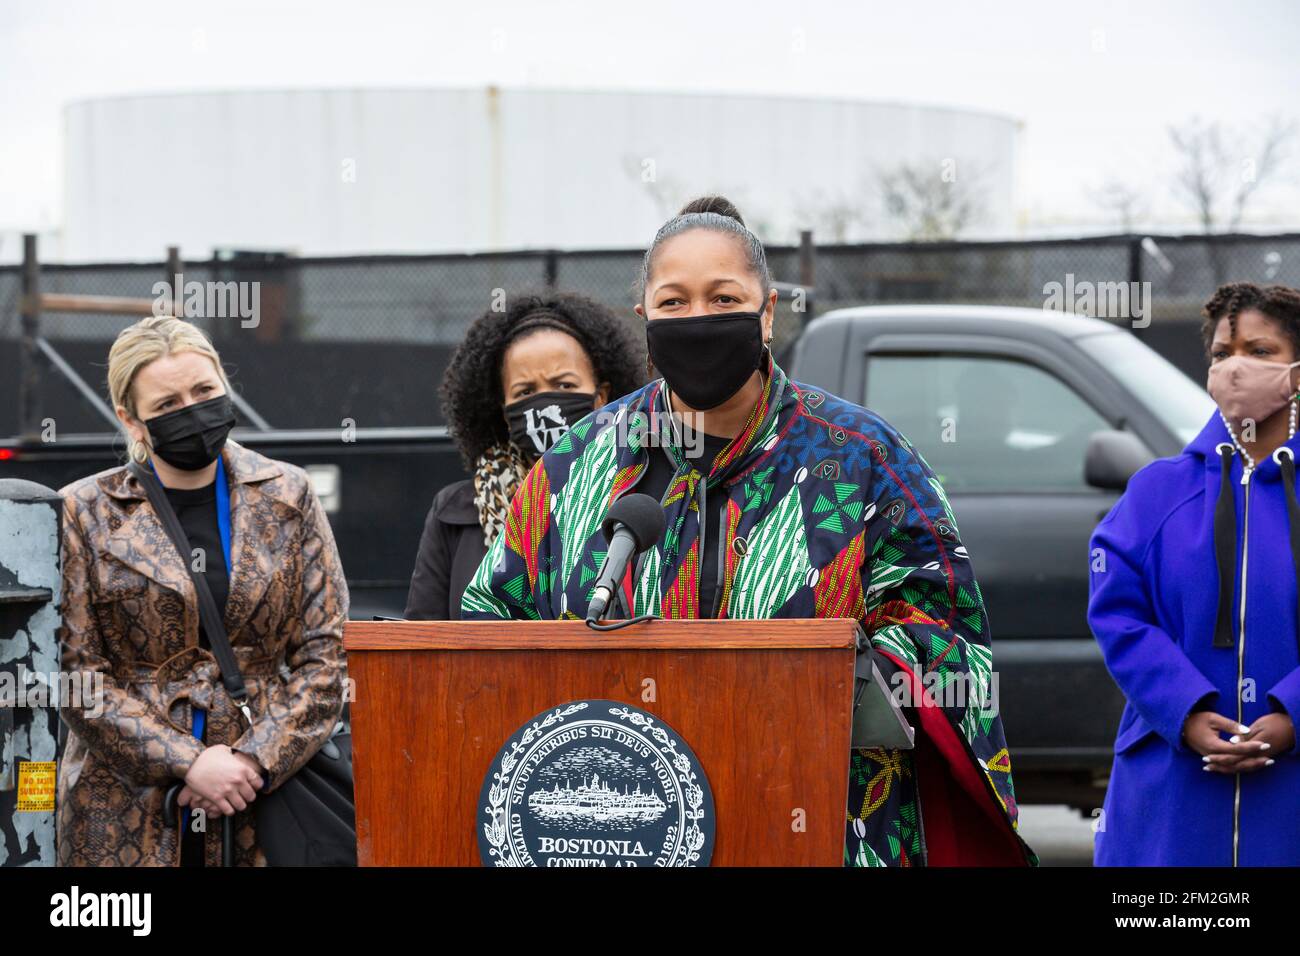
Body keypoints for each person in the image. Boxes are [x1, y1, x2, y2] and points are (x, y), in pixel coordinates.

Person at [462, 196, 1034, 866]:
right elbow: (490, 625)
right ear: (644, 317)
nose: (697, 319)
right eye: (674, 302)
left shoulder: (863, 457)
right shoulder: (576, 466)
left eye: (722, 297)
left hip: (822, 824)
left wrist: (825, 680)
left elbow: (944, 628)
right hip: (629, 834)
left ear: (766, 313)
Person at [56, 315, 349, 866]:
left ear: (224, 385)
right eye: (167, 404)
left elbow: (325, 654)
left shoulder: (287, 494)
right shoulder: (83, 510)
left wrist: (251, 761)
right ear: (131, 419)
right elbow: (76, 673)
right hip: (125, 802)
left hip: (262, 794)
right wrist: (188, 763)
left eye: (204, 391)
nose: (191, 410)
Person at [1089, 282, 1300, 866]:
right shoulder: (1157, 491)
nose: (1236, 368)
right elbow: (1118, 613)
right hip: (1171, 787)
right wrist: (1183, 709)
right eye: (1221, 354)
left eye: (1260, 352)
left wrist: (1290, 718)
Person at [403, 292, 644, 619]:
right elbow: (421, 640)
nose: (546, 405)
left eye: (564, 386)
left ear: (601, 398)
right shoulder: (454, 514)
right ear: (504, 412)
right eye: (525, 392)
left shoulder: (638, 501)